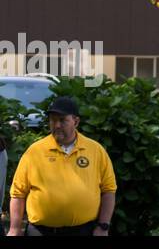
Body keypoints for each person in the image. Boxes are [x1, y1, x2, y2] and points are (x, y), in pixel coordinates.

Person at [7, 97, 117, 236]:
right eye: (53, 120)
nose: (57, 125)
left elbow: (108, 190)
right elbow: (18, 193)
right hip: (40, 231)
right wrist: (14, 229)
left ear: (75, 122)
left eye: (62, 120)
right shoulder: (35, 151)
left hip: (83, 231)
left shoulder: (95, 150)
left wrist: (103, 226)